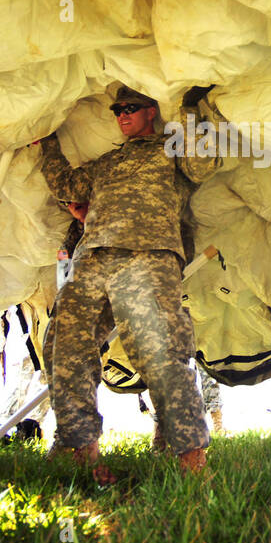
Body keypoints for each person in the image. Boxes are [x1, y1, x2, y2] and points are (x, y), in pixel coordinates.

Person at [34, 83, 221, 471]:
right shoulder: (107, 162)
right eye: (117, 109)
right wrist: (48, 141)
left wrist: (186, 108)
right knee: (63, 342)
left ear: (152, 110)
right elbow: (67, 185)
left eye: (130, 107)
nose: (121, 115)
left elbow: (203, 165)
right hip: (93, 257)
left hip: (148, 253)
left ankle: (190, 455)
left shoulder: (172, 148)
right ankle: (77, 443)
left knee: (161, 349)